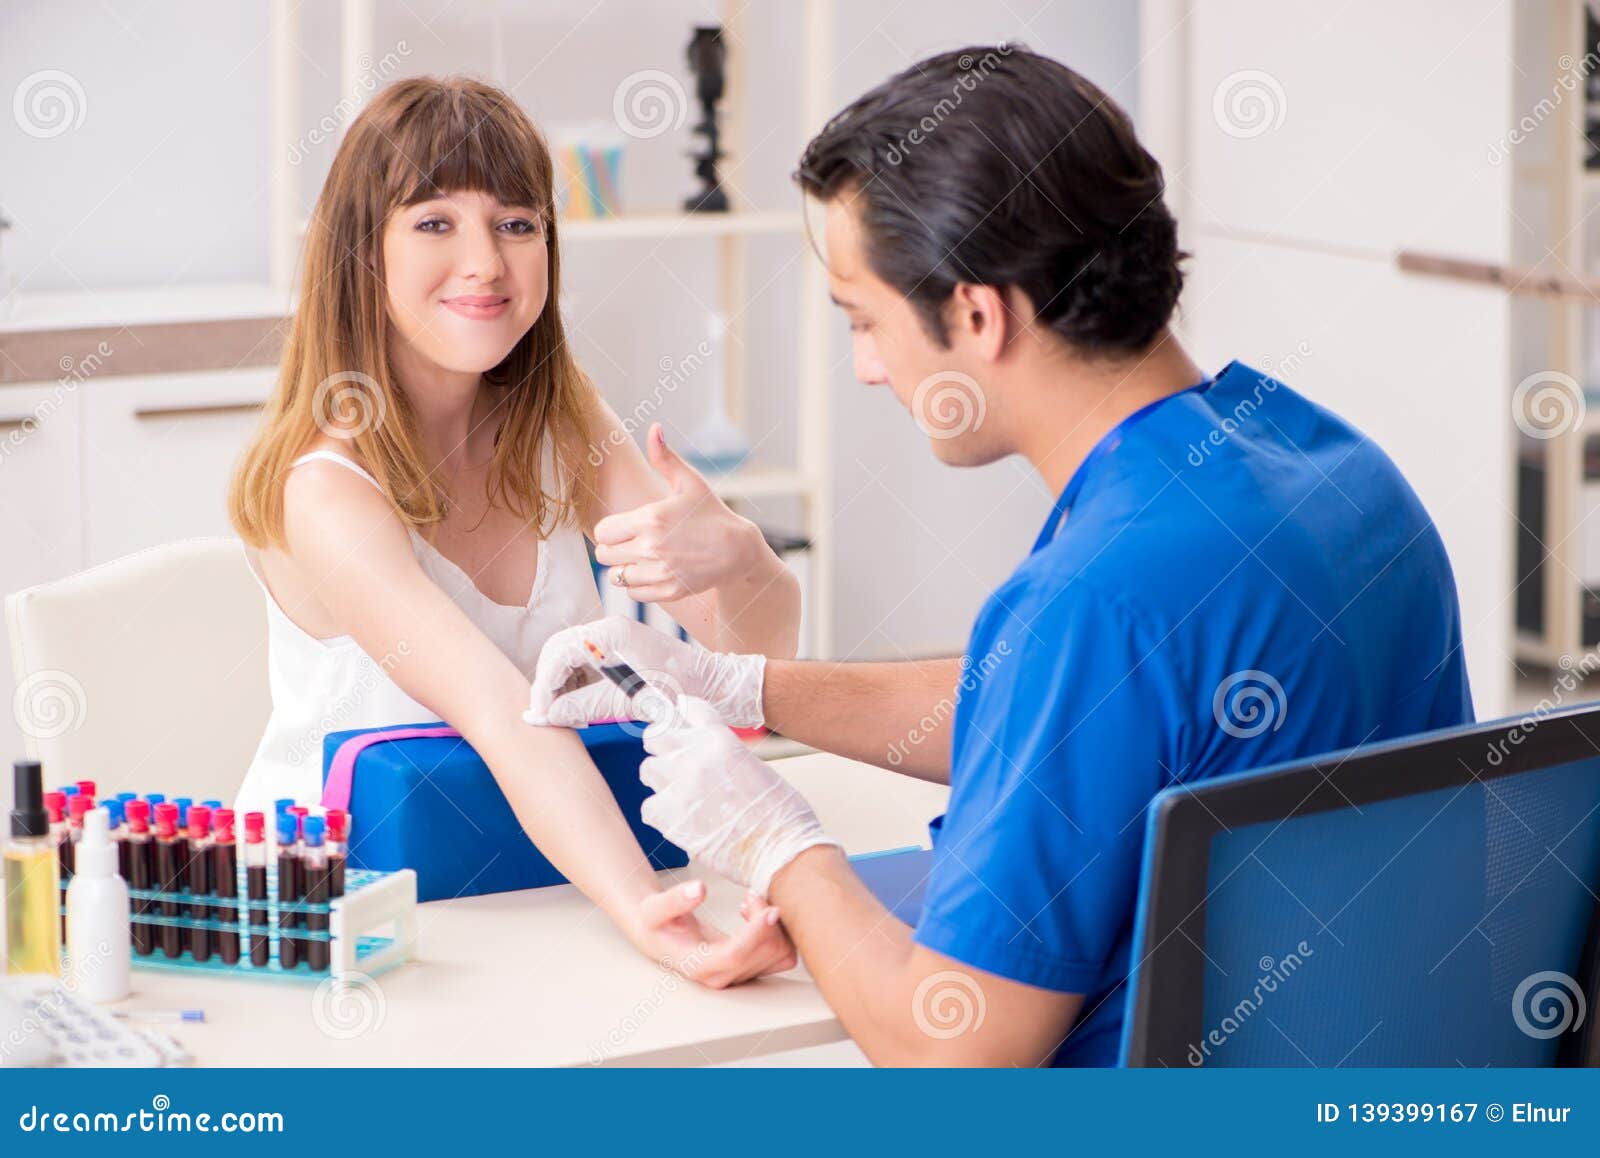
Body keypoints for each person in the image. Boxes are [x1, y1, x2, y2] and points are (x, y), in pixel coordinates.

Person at [528, 46, 1474, 1062]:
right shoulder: (1332, 465)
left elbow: (957, 1060)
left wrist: (781, 850)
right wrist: (741, 683)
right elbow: (1084, 711)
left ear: (978, 314)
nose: (867, 369)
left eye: (865, 321)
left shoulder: (1094, 596)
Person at [227, 76, 796, 987]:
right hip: (343, 926)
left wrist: (748, 562)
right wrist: (656, 922)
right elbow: (504, 714)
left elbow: (754, 688)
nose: (487, 262)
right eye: (434, 222)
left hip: (535, 881)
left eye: (517, 223)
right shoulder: (327, 489)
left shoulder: (562, 421)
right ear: (360, 253)